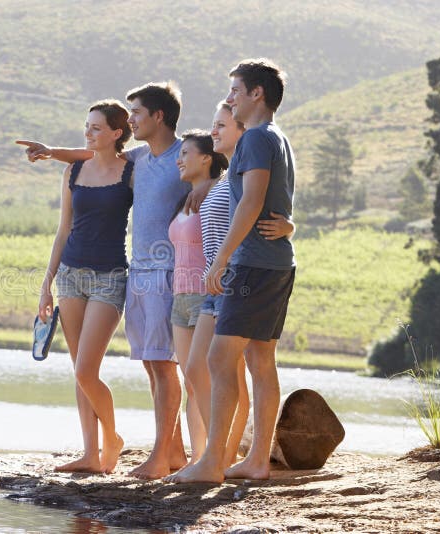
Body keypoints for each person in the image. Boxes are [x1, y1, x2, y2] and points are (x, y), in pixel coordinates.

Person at [19, 82, 208, 479]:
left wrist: (206, 182)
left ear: (157, 116)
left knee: (156, 366)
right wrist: (51, 152)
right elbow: (92, 156)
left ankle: (146, 451)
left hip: (153, 274)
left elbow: (212, 166)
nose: (132, 118)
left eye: (136, 112)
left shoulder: (174, 156)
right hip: (128, 274)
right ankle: (153, 451)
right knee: (144, 366)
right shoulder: (136, 159)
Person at [170, 58, 297, 483]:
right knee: (260, 361)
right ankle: (256, 460)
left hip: (253, 266)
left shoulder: (257, 138)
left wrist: (222, 259)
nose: (230, 99)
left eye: (235, 91)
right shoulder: (275, 137)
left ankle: (211, 463)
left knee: (218, 359)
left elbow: (252, 200)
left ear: (256, 94)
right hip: (274, 265)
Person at [36, 99, 132, 474]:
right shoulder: (74, 172)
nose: (88, 132)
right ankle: (91, 453)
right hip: (71, 276)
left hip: (110, 278)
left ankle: (113, 438)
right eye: (86, 126)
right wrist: (46, 285)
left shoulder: (131, 171)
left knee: (86, 371)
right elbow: (63, 230)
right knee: (80, 368)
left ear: (116, 132)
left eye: (96, 128)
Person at [167, 129, 229, 464]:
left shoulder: (216, 193)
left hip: (207, 295)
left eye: (186, 153)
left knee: (201, 374)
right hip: (180, 297)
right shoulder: (186, 199)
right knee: (191, 380)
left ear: (206, 158)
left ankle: (217, 453)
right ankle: (198, 457)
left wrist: (213, 182)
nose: (179, 159)